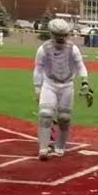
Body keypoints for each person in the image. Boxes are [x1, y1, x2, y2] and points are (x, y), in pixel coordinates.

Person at [33, 18, 92, 160]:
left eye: (63, 35)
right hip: (49, 83)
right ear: (52, 34)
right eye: (58, 35)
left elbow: (80, 66)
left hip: (67, 85)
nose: (61, 39)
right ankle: (43, 148)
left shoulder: (73, 49)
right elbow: (38, 69)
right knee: (45, 114)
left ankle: (60, 147)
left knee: (64, 117)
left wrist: (84, 82)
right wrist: (37, 87)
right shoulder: (43, 49)